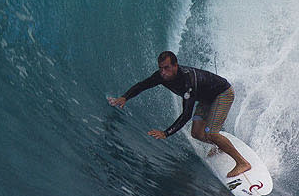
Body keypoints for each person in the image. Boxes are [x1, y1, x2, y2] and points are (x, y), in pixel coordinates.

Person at [108, 50, 253, 177]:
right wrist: (125, 97)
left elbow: (186, 115)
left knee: (212, 133)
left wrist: (166, 133)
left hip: (222, 94)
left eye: (167, 68)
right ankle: (220, 146)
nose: (163, 72)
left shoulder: (188, 81)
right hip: (206, 98)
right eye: (161, 68)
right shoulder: (161, 76)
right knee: (196, 133)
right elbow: (143, 85)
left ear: (175, 66)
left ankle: (242, 163)